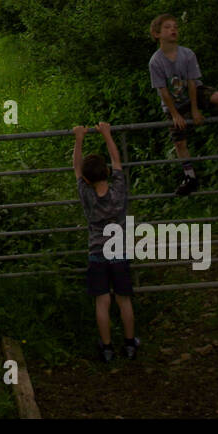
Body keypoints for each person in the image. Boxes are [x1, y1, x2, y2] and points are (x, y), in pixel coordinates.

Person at [73, 122, 140, 362]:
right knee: (124, 300)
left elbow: (76, 168)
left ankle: (107, 348)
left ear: (87, 180)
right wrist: (107, 134)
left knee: (102, 301)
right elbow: (117, 160)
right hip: (119, 252)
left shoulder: (87, 194)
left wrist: (79, 138)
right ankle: (130, 344)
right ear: (107, 173)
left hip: (97, 254)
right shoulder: (118, 190)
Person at [147, 14, 218, 196]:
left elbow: (193, 83)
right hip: (173, 103)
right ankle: (189, 176)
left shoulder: (187, 54)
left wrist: (195, 109)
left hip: (193, 94)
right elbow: (163, 91)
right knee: (179, 140)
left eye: (175, 26)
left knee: (217, 97)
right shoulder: (155, 61)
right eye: (168, 27)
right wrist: (176, 114)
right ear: (157, 34)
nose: (173, 29)